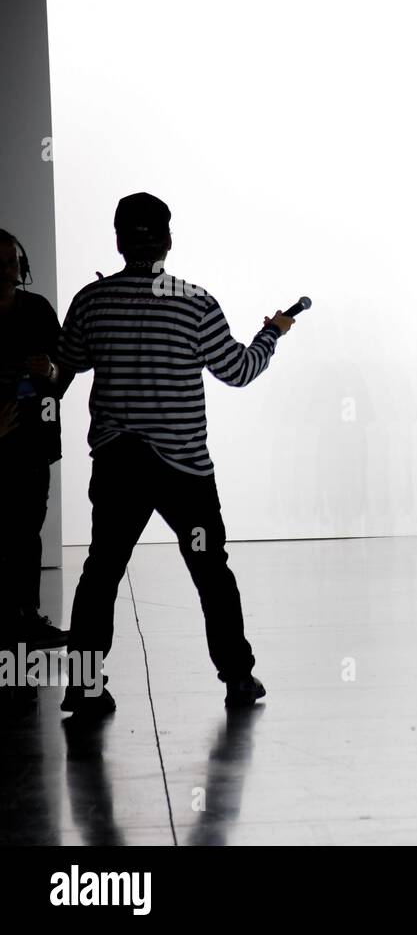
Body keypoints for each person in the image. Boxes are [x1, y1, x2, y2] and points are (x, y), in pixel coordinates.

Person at [55, 192, 295, 715]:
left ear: (118, 240)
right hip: (182, 468)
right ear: (167, 239)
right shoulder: (194, 300)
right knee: (211, 571)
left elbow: (64, 366)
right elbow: (238, 371)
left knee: (101, 571)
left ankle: (82, 685)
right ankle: (237, 678)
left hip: (118, 462)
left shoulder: (91, 302)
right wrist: (271, 334)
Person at [0, 228, 67, 651]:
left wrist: (51, 371)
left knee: (27, 532)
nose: (6, 270)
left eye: (10, 261)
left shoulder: (37, 310)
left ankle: (26, 616)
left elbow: (65, 373)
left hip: (32, 445)